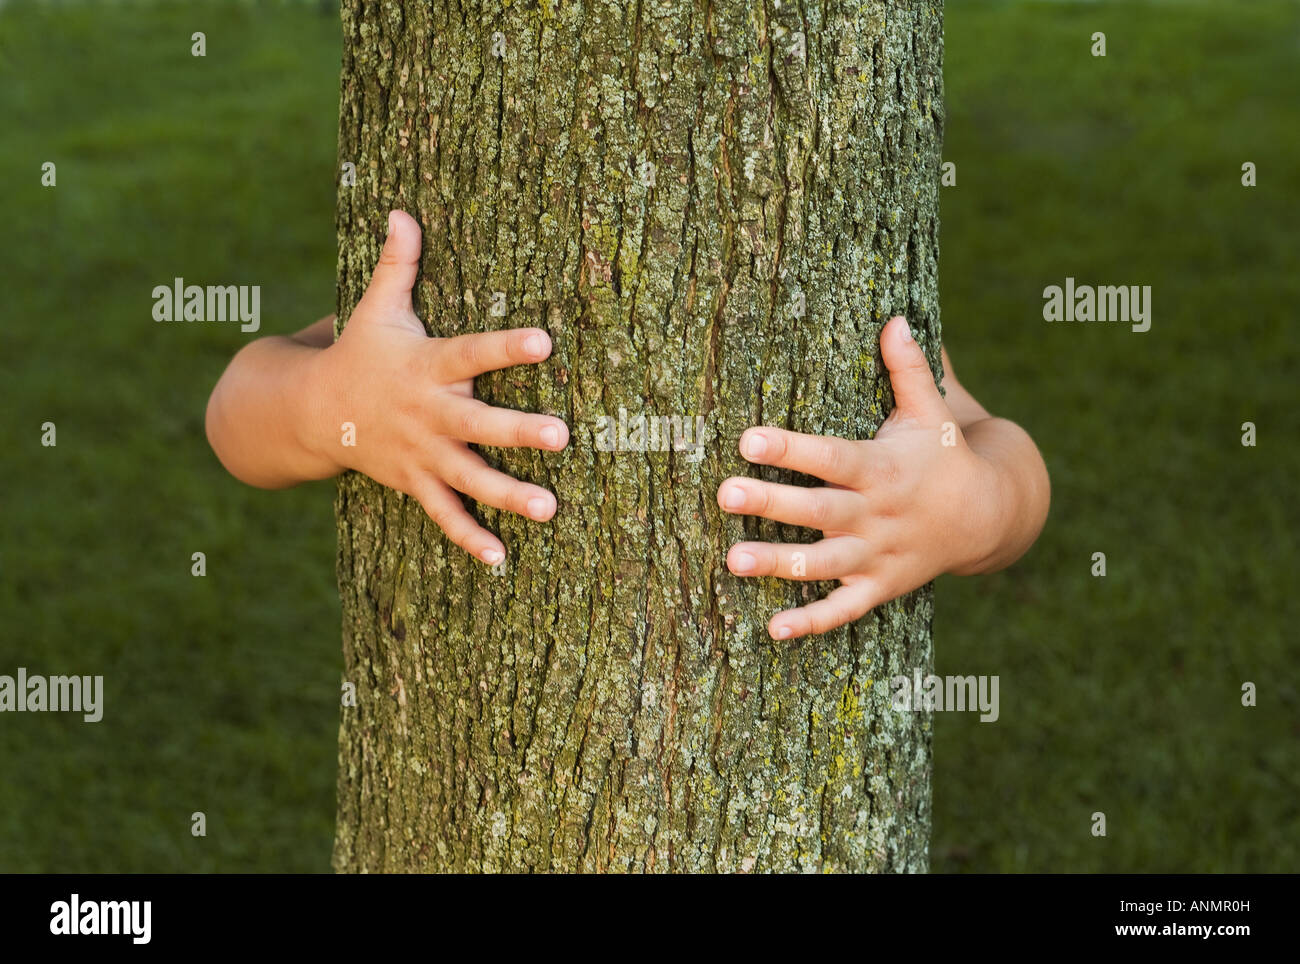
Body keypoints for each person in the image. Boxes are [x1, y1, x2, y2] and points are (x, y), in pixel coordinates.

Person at [206, 210, 1050, 641]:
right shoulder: (398, 340)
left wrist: (966, 508)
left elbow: (992, 447)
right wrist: (332, 407)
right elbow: (234, 418)